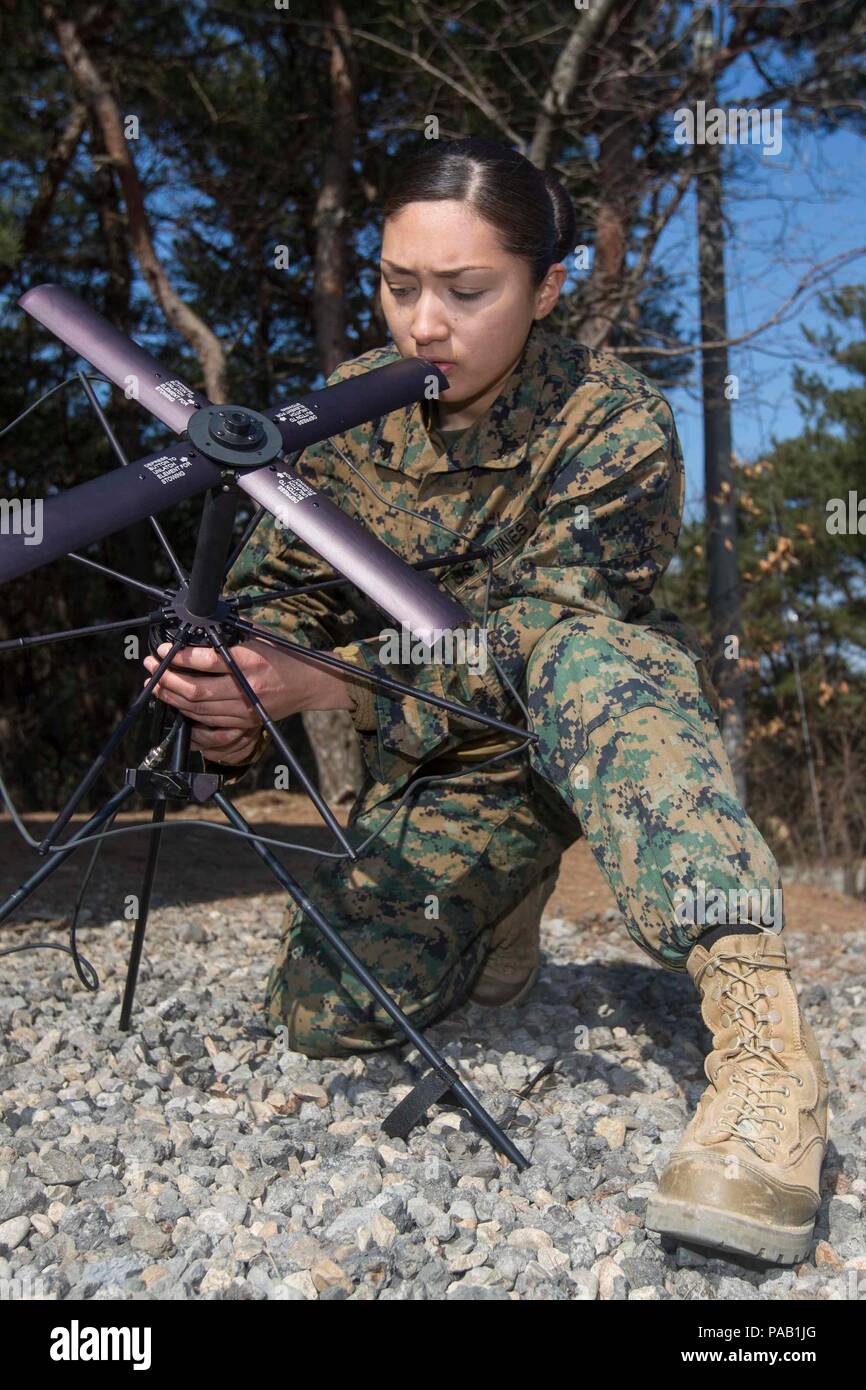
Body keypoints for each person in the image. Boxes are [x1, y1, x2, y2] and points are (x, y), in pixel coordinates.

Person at [142, 137, 829, 1266]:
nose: (423, 324)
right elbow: (277, 607)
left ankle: (762, 1056)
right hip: (435, 768)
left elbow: (539, 639)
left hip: (572, 730)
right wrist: (229, 700)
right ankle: (499, 909)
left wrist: (327, 680)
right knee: (324, 1014)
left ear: (544, 288)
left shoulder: (611, 423)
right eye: (397, 284)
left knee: (598, 657)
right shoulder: (344, 418)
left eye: (466, 292)